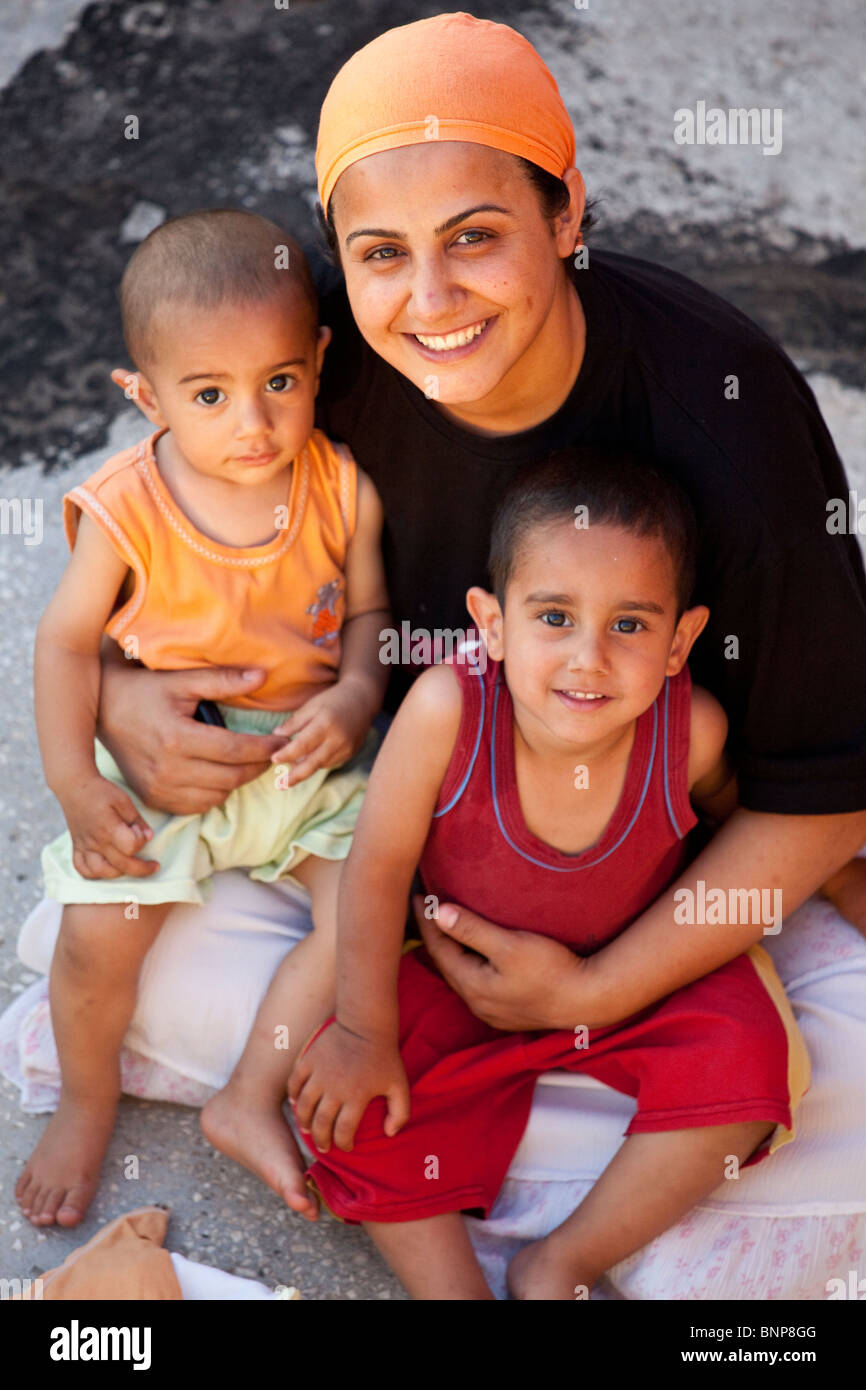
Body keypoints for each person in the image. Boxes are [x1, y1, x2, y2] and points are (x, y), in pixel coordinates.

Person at [16, 13, 866, 1288]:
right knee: (142, 948)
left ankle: (557, 1179)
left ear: (567, 215)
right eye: (380, 255)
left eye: (474, 237)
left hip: (654, 843)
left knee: (803, 1077)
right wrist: (126, 697)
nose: (428, 302)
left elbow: (819, 789)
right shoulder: (317, 370)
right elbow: (154, 530)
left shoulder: (724, 413)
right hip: (412, 830)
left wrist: (593, 987)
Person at [289, 450, 811, 1300]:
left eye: (631, 626)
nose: (589, 658)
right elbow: (377, 870)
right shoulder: (445, 711)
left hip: (635, 977)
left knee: (752, 1069)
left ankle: (562, 1261)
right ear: (491, 625)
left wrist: (819, 877)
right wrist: (361, 1033)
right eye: (555, 617)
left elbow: (737, 824)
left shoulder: (692, 735)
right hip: (465, 978)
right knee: (348, 1113)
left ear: (682, 640)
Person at [15, 209, 389, 1229]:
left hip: (306, 762)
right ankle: (88, 1101)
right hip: (169, 768)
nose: (252, 424)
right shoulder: (125, 508)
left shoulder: (339, 484)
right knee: (99, 936)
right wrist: (75, 783)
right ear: (146, 396)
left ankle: (247, 1096)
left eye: (278, 381)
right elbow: (61, 645)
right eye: (209, 395)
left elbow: (365, 614)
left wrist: (356, 694)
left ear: (317, 358)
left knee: (369, 916)